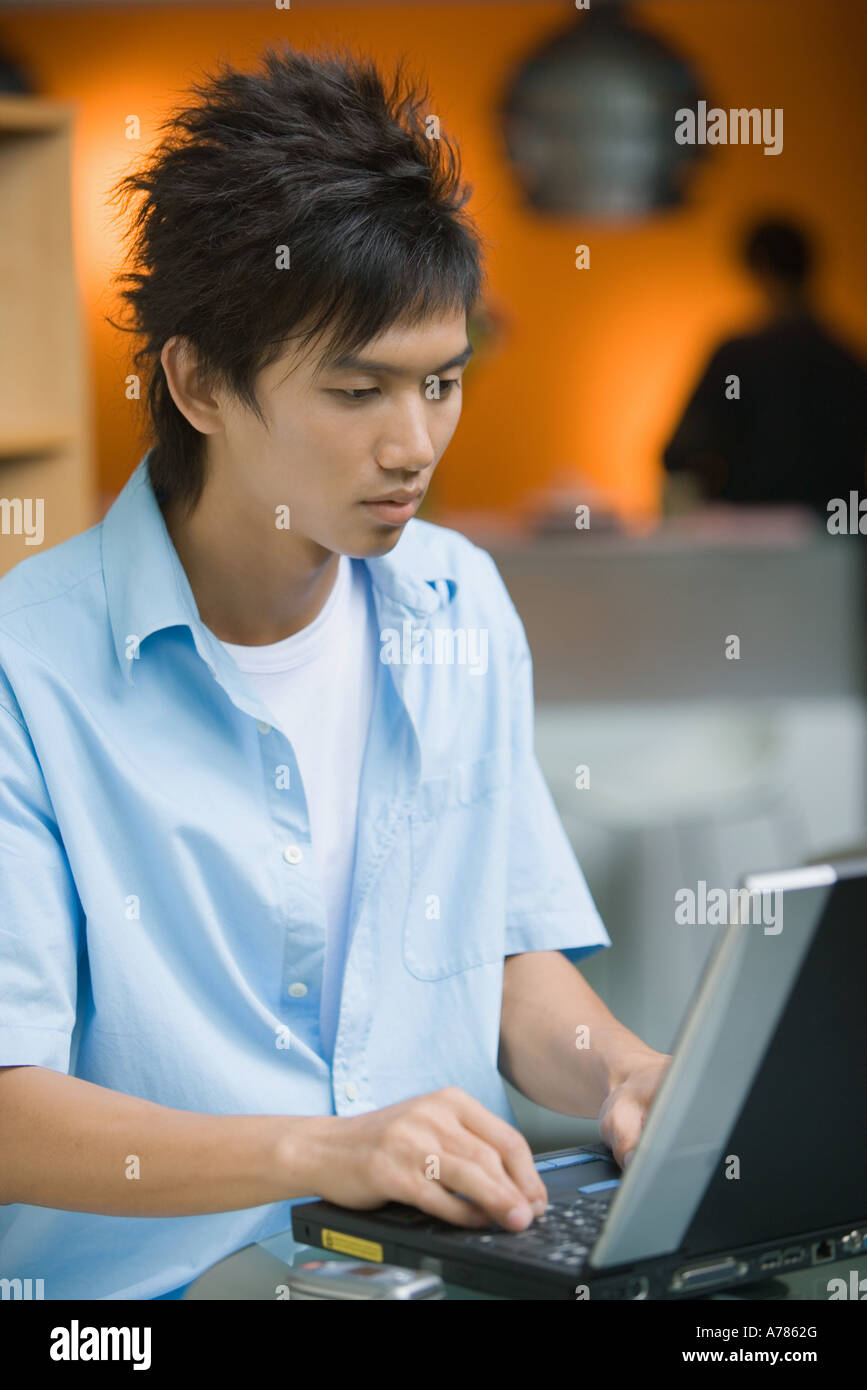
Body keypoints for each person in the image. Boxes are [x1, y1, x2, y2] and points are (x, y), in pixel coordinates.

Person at [0, 43, 670, 1300]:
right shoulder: (23, 673)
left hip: (437, 1277)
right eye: (357, 390)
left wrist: (627, 1071)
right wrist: (324, 1151)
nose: (413, 445)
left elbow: (503, 955)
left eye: (443, 383)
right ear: (198, 381)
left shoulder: (458, 600)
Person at [662, 216, 867, 513]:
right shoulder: (847, 360)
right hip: (840, 532)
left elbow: (679, 452)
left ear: (759, 269)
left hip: (753, 538)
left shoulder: (737, 358)